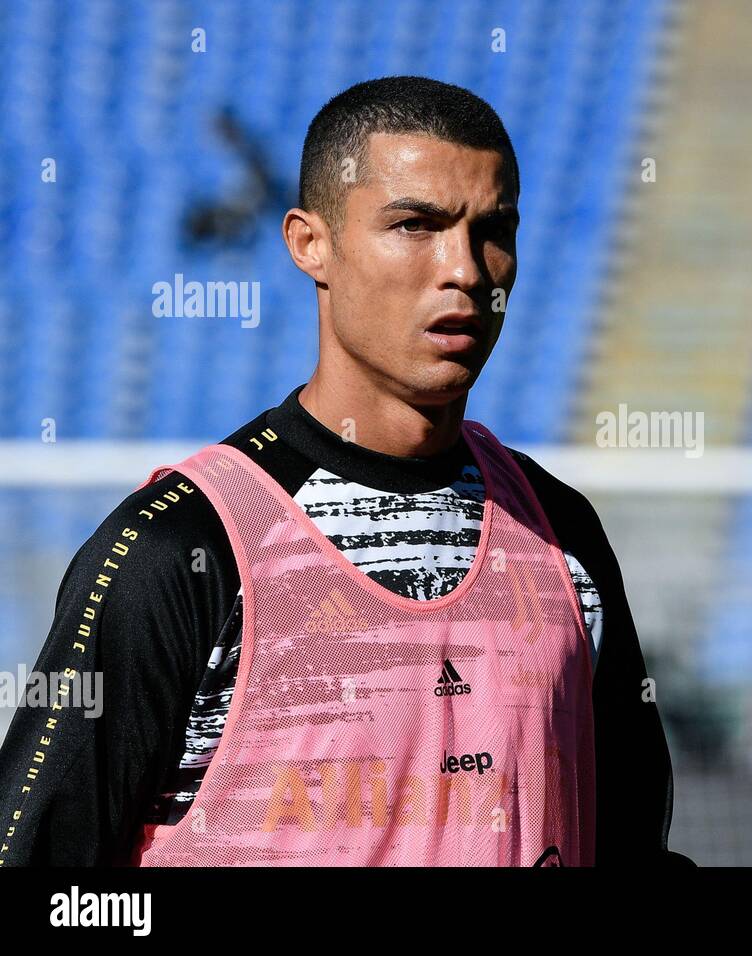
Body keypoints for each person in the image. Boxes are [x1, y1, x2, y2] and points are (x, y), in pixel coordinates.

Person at [0, 76, 685, 867]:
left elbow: (634, 846)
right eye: (415, 225)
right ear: (309, 243)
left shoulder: (561, 535)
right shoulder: (182, 548)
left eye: (492, 230)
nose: (464, 268)